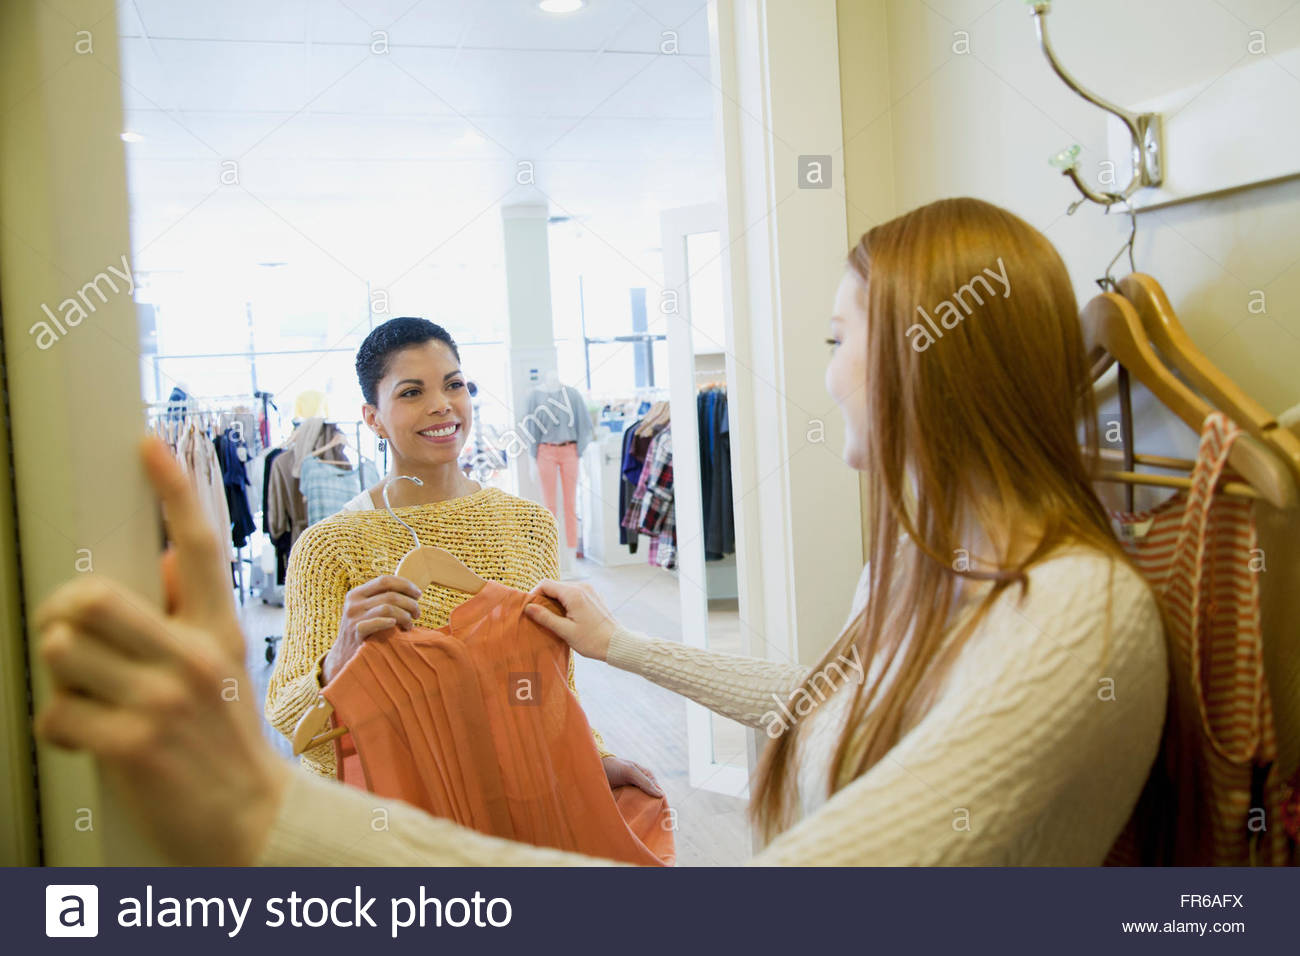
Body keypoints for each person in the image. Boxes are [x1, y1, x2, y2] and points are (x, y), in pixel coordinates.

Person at [34, 198, 1166, 865]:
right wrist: (623, 646)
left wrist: (263, 812)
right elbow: (834, 702)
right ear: (374, 415)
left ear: (925, 362)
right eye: (413, 391)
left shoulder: (1067, 614)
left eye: (835, 339)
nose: (821, 377)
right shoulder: (925, 566)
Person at [263, 316, 658, 795]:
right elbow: (290, 718)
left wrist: (594, 756)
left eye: (454, 385)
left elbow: (553, 684)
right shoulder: (330, 546)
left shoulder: (530, 526)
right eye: (411, 392)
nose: (441, 406)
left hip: (518, 789)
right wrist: (339, 654)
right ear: (374, 418)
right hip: (398, 808)